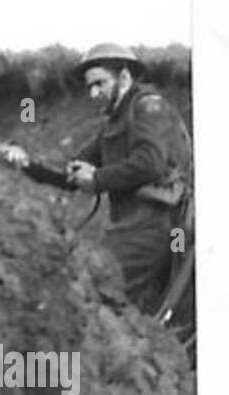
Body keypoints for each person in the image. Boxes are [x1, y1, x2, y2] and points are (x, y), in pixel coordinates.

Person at [63, 44, 192, 316]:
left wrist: (97, 179)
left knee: (99, 287)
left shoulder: (148, 107)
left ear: (123, 77)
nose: (93, 93)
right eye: (90, 87)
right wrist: (26, 164)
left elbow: (150, 163)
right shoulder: (115, 122)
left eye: (99, 84)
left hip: (157, 223)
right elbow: (77, 164)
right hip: (131, 225)